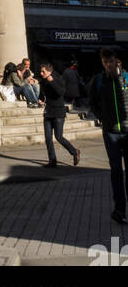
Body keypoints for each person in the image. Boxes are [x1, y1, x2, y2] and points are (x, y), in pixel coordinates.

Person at [86, 46, 128, 223]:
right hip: (110, 133)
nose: (108, 65)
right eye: (105, 62)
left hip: (127, 131)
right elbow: (92, 103)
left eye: (111, 61)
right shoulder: (98, 81)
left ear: (117, 61)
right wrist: (102, 117)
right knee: (116, 172)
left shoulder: (126, 78)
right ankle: (119, 209)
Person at [38, 63, 79, 170]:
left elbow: (60, 92)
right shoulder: (43, 81)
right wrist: (40, 100)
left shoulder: (58, 80)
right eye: (41, 71)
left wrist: (52, 81)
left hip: (58, 112)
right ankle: (52, 160)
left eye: (43, 72)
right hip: (48, 112)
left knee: (59, 136)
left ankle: (74, 151)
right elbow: (41, 95)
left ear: (49, 72)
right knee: (48, 138)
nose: (41, 73)